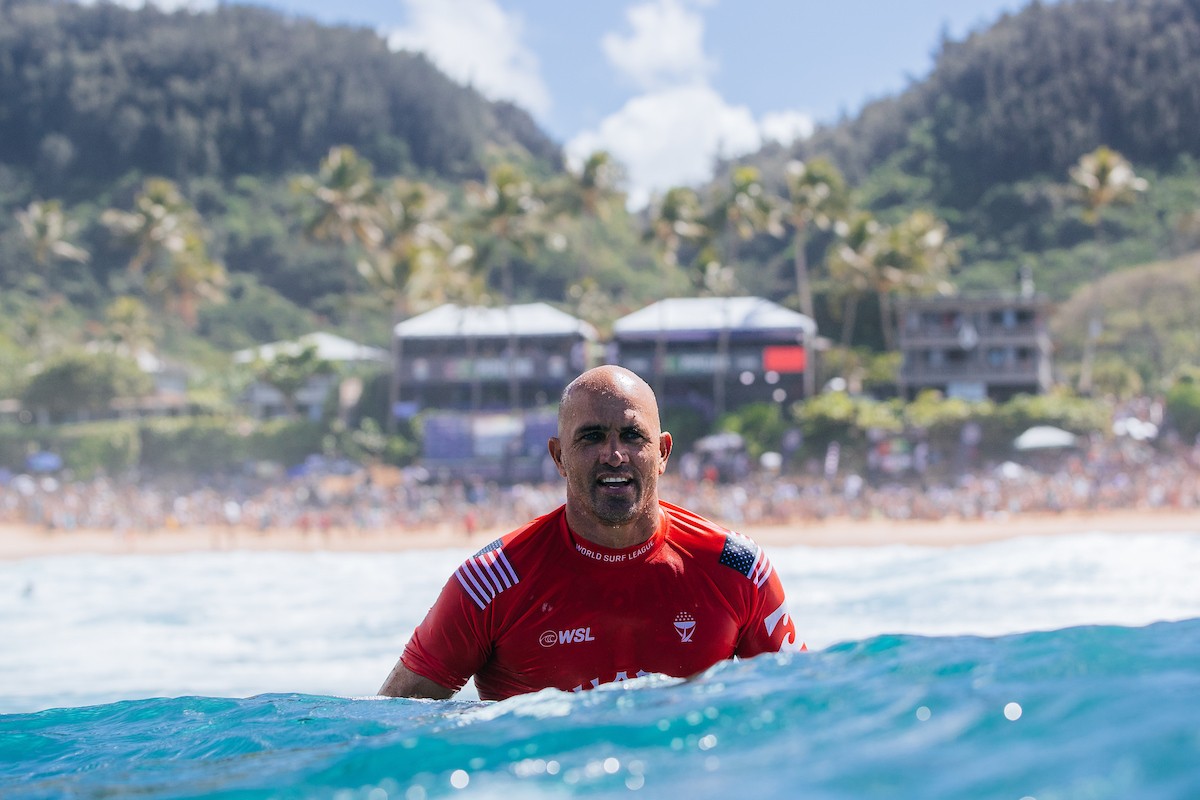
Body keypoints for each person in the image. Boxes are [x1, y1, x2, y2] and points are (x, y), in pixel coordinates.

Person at [378, 365, 802, 701]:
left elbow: (801, 712)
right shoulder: (489, 584)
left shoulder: (739, 570)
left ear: (663, 453)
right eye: (592, 437)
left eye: (633, 436)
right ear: (559, 456)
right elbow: (393, 727)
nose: (614, 455)